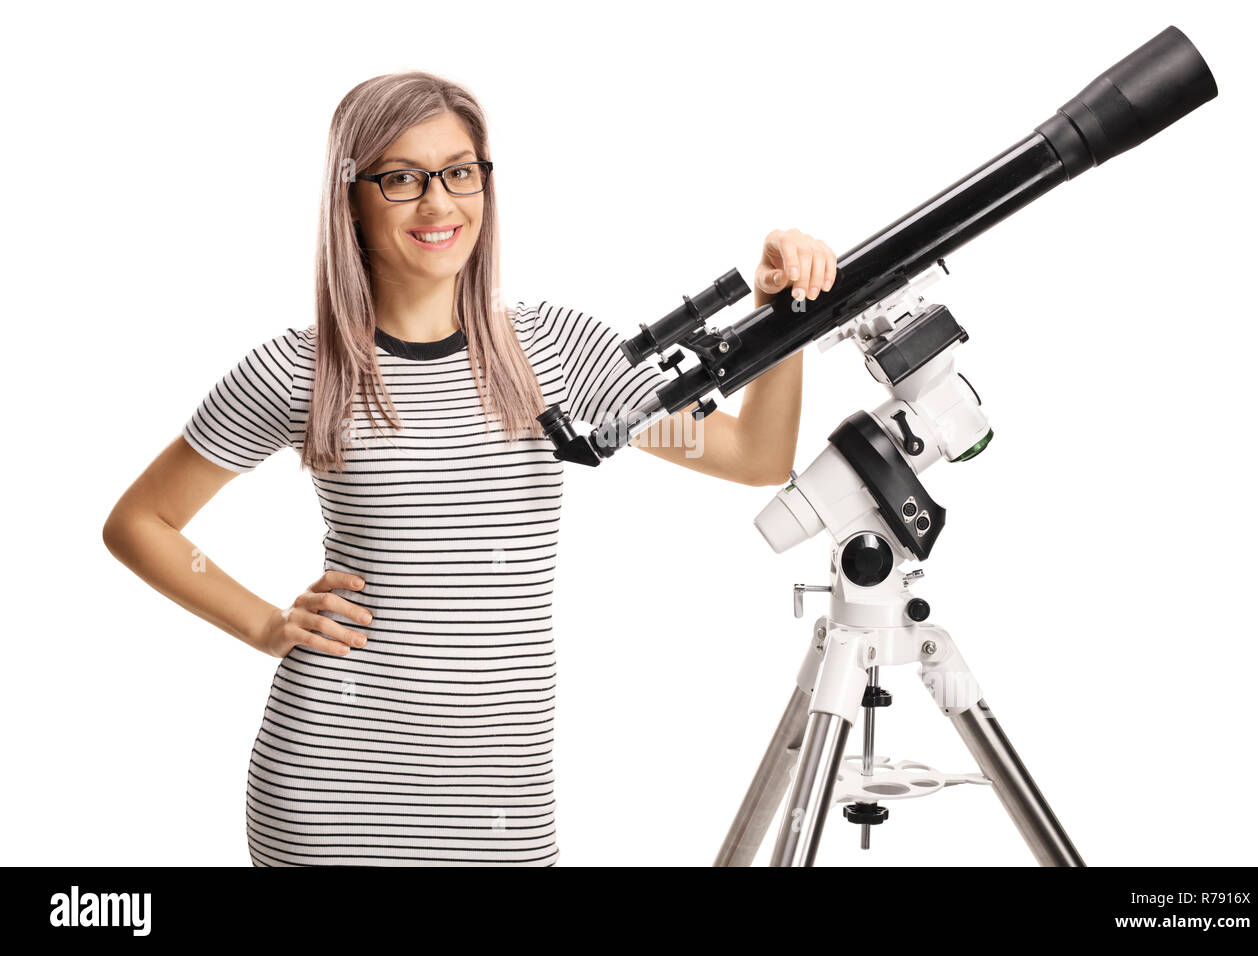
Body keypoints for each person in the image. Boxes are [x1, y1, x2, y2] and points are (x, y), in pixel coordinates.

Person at [102, 70, 837, 867]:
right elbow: (141, 523)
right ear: (350, 197)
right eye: (401, 179)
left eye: (459, 172)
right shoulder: (300, 370)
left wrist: (782, 312)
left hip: (501, 803)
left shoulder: (554, 350)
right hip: (329, 796)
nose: (439, 204)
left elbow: (755, 458)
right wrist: (264, 624)